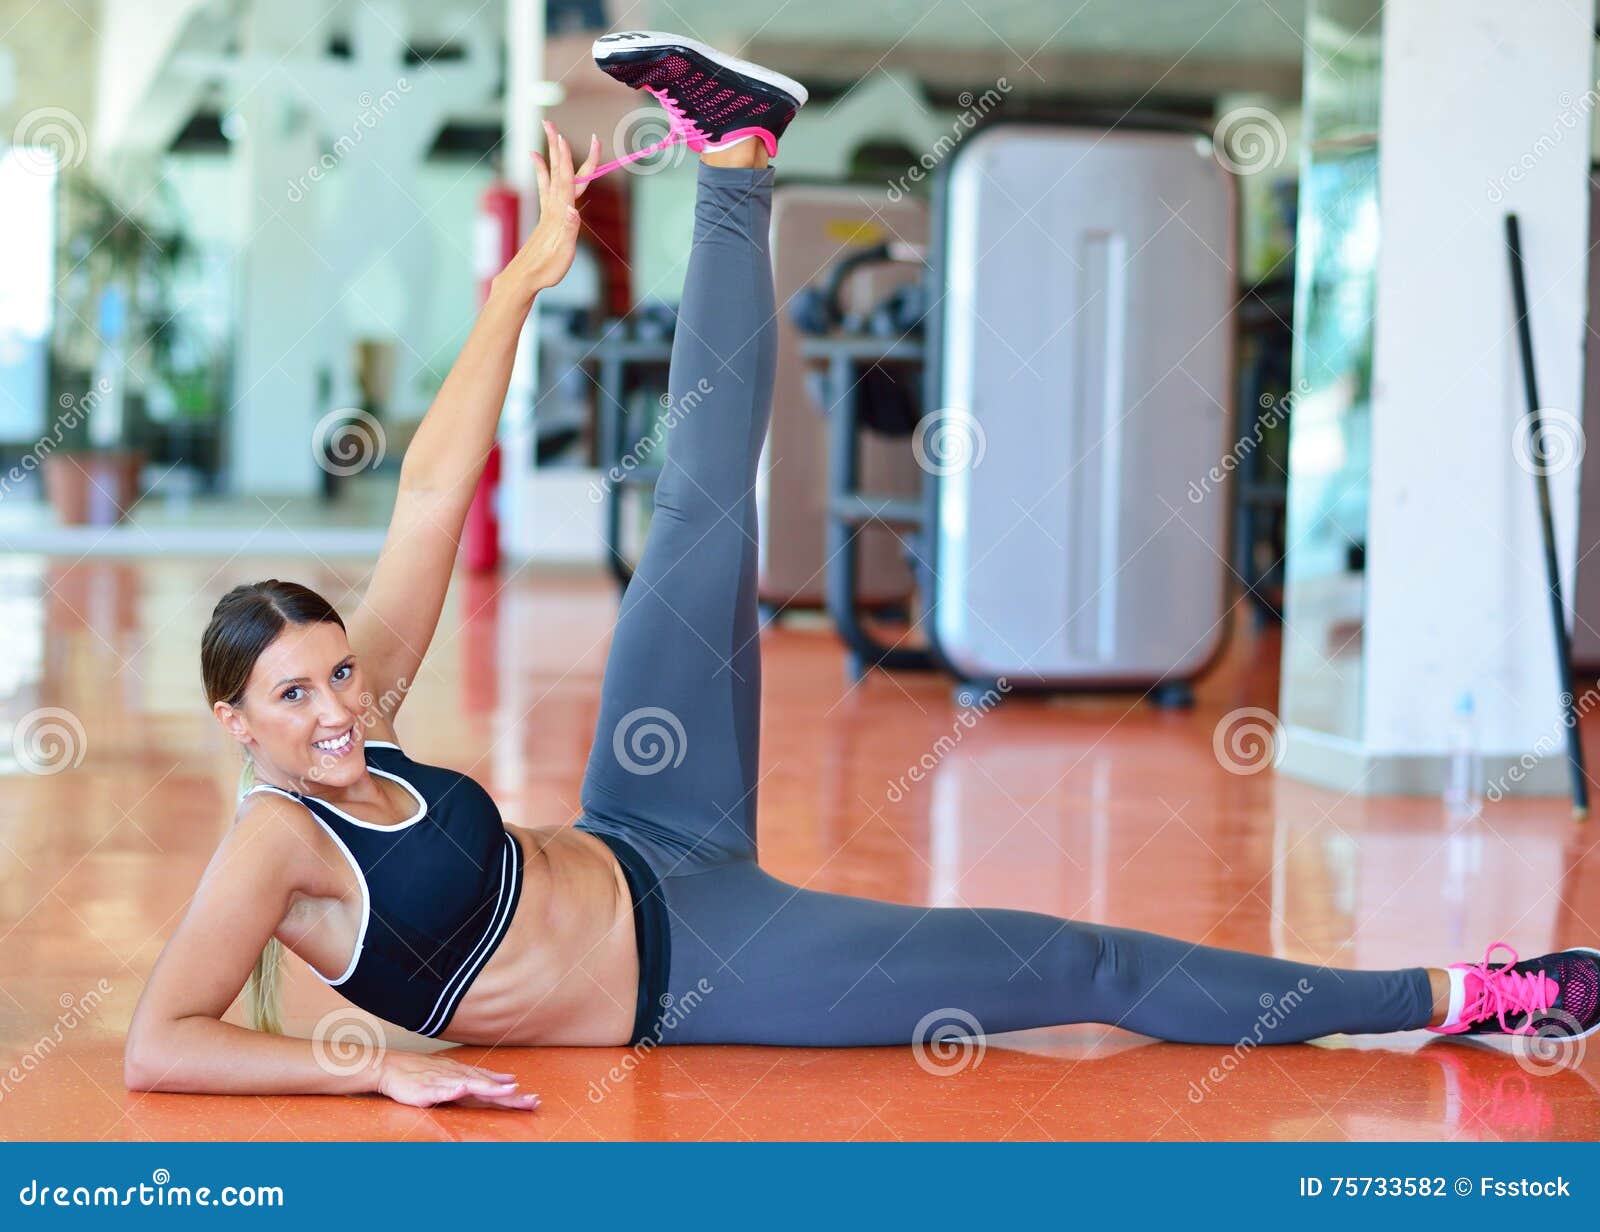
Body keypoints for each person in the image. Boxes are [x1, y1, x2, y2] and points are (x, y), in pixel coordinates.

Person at [125, 33, 1600, 1112]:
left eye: (330, 672)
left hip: (644, 818)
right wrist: (368, 1070)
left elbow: (433, 495)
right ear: (234, 722)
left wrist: (517, 290)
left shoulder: (359, 715)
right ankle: (1463, 996)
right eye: (292, 694)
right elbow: (163, 1041)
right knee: (1066, 971)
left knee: (698, 523)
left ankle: (738, 157)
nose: (332, 705)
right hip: (691, 969)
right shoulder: (274, 844)